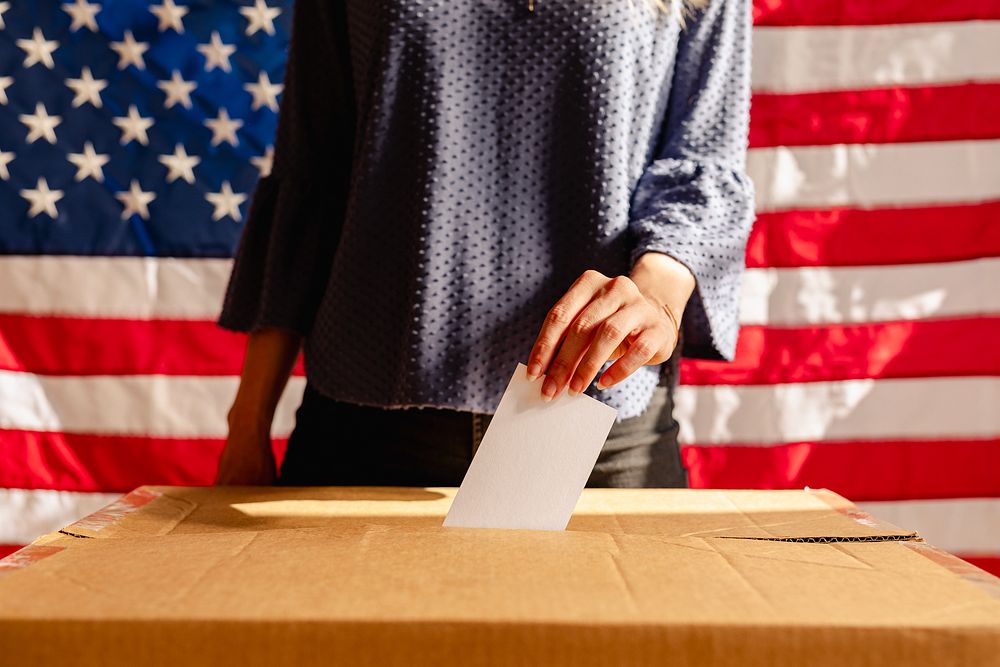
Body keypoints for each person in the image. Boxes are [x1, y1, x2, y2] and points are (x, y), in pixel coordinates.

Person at [214, 0, 755, 488]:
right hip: (366, 414)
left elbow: (702, 161)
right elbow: (313, 170)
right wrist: (247, 423)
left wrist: (655, 295)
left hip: (595, 419)